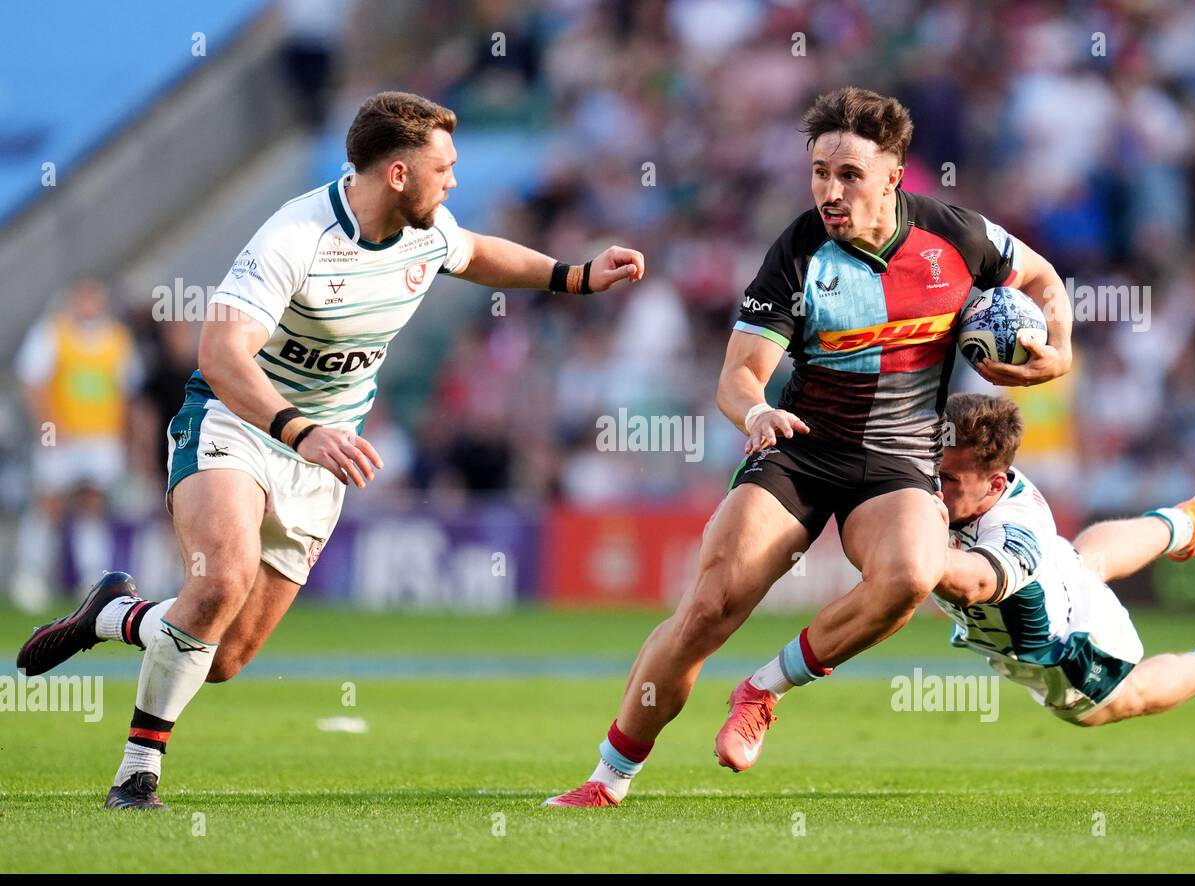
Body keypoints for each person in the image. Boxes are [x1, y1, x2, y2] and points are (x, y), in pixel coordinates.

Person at [17, 91, 645, 810]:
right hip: (238, 424)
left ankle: (111, 615)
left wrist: (575, 275)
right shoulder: (297, 235)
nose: (455, 181)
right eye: (445, 167)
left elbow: (478, 256)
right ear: (399, 173)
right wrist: (301, 430)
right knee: (221, 580)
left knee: (223, 658)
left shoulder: (429, 229)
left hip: (319, 460)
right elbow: (222, 354)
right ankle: (137, 776)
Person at [546, 87, 1073, 807]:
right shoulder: (797, 252)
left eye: (848, 175)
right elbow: (737, 376)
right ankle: (608, 779)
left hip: (897, 460)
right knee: (708, 609)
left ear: (893, 175)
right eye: (820, 173)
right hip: (798, 447)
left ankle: (764, 689)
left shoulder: (957, 236)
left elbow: (1040, 277)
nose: (830, 190)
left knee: (912, 575)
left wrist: (1060, 352)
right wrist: (756, 411)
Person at [929, 393, 1195, 724]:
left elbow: (974, 582)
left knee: (1123, 699)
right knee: (1083, 560)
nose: (933, 484)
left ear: (995, 485)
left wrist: (905, 550)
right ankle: (1185, 523)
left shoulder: (1016, 530)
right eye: (931, 468)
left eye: (949, 478)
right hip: (1050, 571)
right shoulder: (965, 482)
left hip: (1065, 639)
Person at [11, 279, 140, 611]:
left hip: (102, 436)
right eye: (83, 297)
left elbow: (127, 392)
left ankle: (91, 578)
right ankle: (30, 576)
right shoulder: (53, 332)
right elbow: (32, 381)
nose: (88, 304)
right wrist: (48, 424)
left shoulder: (117, 338)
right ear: (72, 299)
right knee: (49, 502)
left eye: (94, 298)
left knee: (93, 503)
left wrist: (127, 438)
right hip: (62, 435)